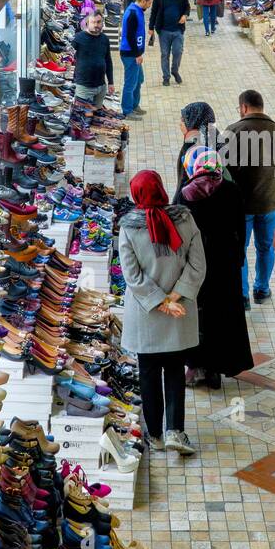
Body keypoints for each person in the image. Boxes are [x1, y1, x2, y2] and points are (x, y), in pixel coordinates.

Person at [119, 169, 207, 456]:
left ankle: (154, 434)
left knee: (147, 373)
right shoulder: (186, 219)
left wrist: (160, 301)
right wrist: (174, 296)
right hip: (179, 312)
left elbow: (132, 276)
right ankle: (175, 431)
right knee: (174, 371)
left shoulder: (129, 228)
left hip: (147, 315)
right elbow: (198, 265)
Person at [176, 145, 253, 389]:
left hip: (197, 266)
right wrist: (238, 257)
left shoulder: (185, 194)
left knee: (198, 315)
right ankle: (215, 370)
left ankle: (196, 367)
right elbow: (241, 229)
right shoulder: (231, 190)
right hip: (226, 264)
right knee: (221, 315)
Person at [225, 90, 275, 308]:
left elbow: (223, 171)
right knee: (266, 248)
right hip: (269, 203)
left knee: (240, 250)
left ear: (243, 108)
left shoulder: (232, 131)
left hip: (241, 206)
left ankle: (243, 295)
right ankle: (262, 290)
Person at [149, 0, 191, 87]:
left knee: (178, 52)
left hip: (178, 30)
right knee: (165, 54)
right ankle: (166, 77)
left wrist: (185, 15)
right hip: (163, 30)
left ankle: (175, 70)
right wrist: (151, 27)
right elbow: (153, 12)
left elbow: (187, 7)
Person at [119, 0, 151, 118]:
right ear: (143, 1)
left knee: (138, 79)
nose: (149, 6)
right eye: (149, 3)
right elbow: (130, 36)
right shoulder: (133, 13)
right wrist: (137, 54)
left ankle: (134, 105)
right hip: (130, 54)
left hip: (134, 53)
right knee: (130, 82)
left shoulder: (136, 10)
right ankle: (127, 110)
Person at [72, 12, 114, 108]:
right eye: (93, 22)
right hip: (84, 87)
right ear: (87, 23)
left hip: (101, 86)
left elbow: (108, 60)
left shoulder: (105, 39)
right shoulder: (78, 38)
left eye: (98, 22)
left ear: (102, 23)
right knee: (83, 118)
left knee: (97, 117)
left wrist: (111, 82)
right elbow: (68, 53)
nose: (96, 25)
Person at [175, 101, 216, 198]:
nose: (180, 123)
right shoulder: (214, 136)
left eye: (184, 119)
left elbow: (184, 181)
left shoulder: (192, 145)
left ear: (194, 121)